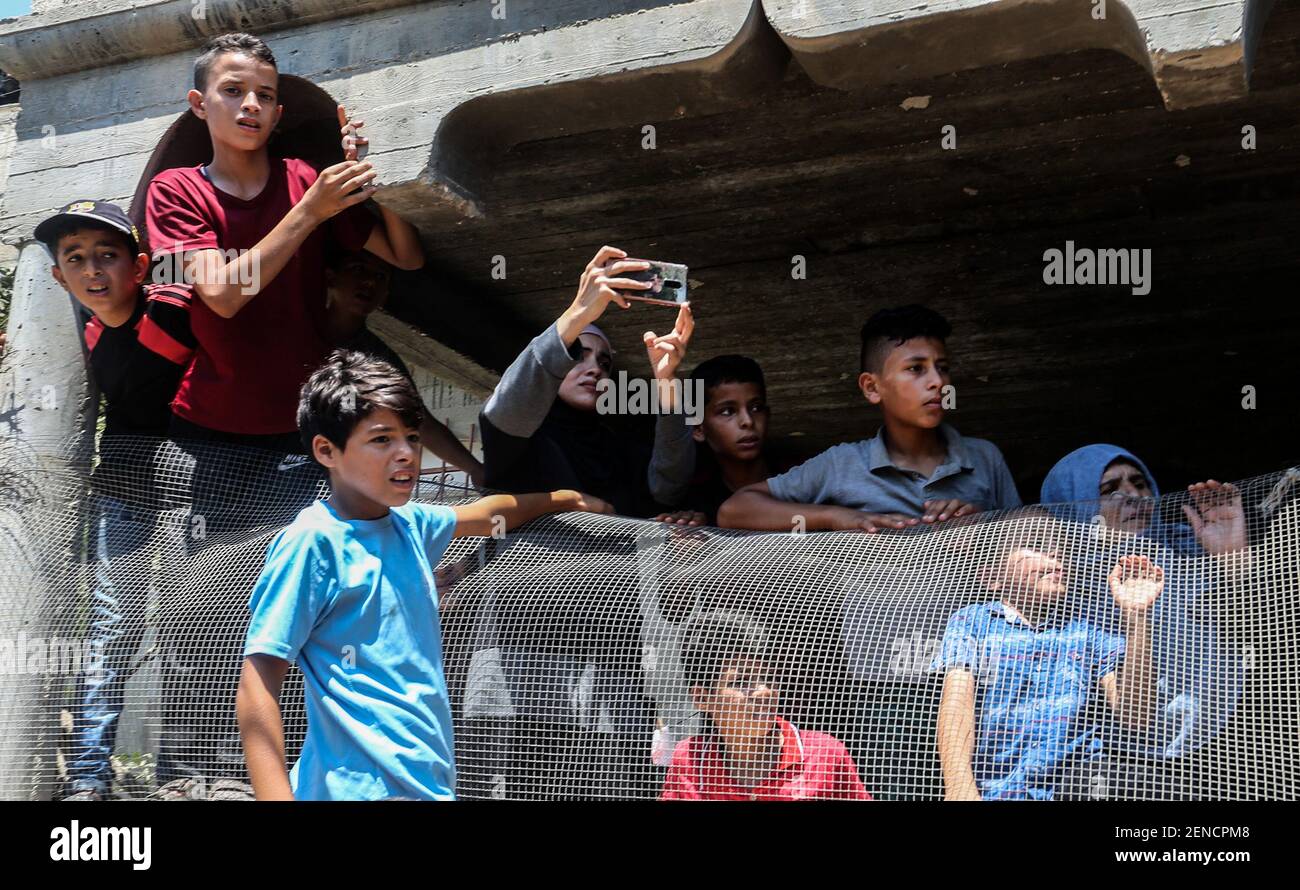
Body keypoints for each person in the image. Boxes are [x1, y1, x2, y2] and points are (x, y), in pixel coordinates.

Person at [236, 350, 612, 800]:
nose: (405, 453)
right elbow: (258, 681)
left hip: (427, 786)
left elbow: (488, 513)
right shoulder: (312, 542)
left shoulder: (411, 524)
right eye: (381, 439)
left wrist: (563, 499)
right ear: (326, 450)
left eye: (412, 437)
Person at [145, 32, 424, 448]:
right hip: (208, 430)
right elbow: (222, 294)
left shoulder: (306, 179)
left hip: (309, 424)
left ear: (277, 114)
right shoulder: (176, 189)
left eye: (265, 96)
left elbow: (407, 257)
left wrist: (373, 172)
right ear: (199, 104)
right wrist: (311, 211)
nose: (251, 104)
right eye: (233, 91)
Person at [35, 200, 197, 800]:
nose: (92, 269)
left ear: (140, 264)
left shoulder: (178, 311)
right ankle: (87, 775)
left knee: (190, 629)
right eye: (75, 258)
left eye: (108, 254)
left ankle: (182, 772)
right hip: (123, 491)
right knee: (112, 628)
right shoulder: (80, 331)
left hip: (197, 488)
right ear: (58, 276)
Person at [1039, 444, 1246, 796]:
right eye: (1109, 490)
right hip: (1124, 762)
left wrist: (1232, 556)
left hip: (1230, 743)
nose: (1133, 495)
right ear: (1071, 504)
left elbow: (1257, 627)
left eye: (1139, 483)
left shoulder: (1190, 548)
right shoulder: (1057, 584)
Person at [718, 305, 1020, 532]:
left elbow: (1033, 531)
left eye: (942, 367)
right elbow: (734, 510)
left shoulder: (983, 457)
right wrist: (838, 517)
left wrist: (982, 522)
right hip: (871, 618)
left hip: (975, 617)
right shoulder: (843, 464)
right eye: (916, 369)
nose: (937, 382)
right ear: (872, 387)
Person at [933, 515, 1164, 800]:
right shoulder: (973, 622)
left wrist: (1137, 617)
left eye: (1059, 549)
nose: (1055, 554)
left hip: (1079, 784)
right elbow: (957, 706)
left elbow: (1136, 718)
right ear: (992, 577)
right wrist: (958, 786)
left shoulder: (1088, 629)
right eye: (1037, 545)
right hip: (997, 790)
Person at [479, 245, 696, 516]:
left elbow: (668, 488)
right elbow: (512, 399)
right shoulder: (520, 435)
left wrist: (666, 381)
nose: (594, 369)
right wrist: (578, 313)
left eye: (604, 363)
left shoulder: (617, 446)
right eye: (577, 356)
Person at [660, 610, 870, 800]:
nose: (764, 691)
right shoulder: (688, 758)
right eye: (740, 682)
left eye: (767, 678)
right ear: (702, 698)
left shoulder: (824, 754)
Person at [323, 249, 484, 486]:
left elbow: (418, 420)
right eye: (357, 269)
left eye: (380, 276)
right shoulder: (294, 330)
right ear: (329, 277)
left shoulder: (377, 356)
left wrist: (475, 470)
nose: (369, 281)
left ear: (385, 294)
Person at [654, 354, 791, 527]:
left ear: (768, 415)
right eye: (727, 411)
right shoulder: (697, 506)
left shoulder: (800, 478)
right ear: (698, 429)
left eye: (756, 408)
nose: (747, 421)